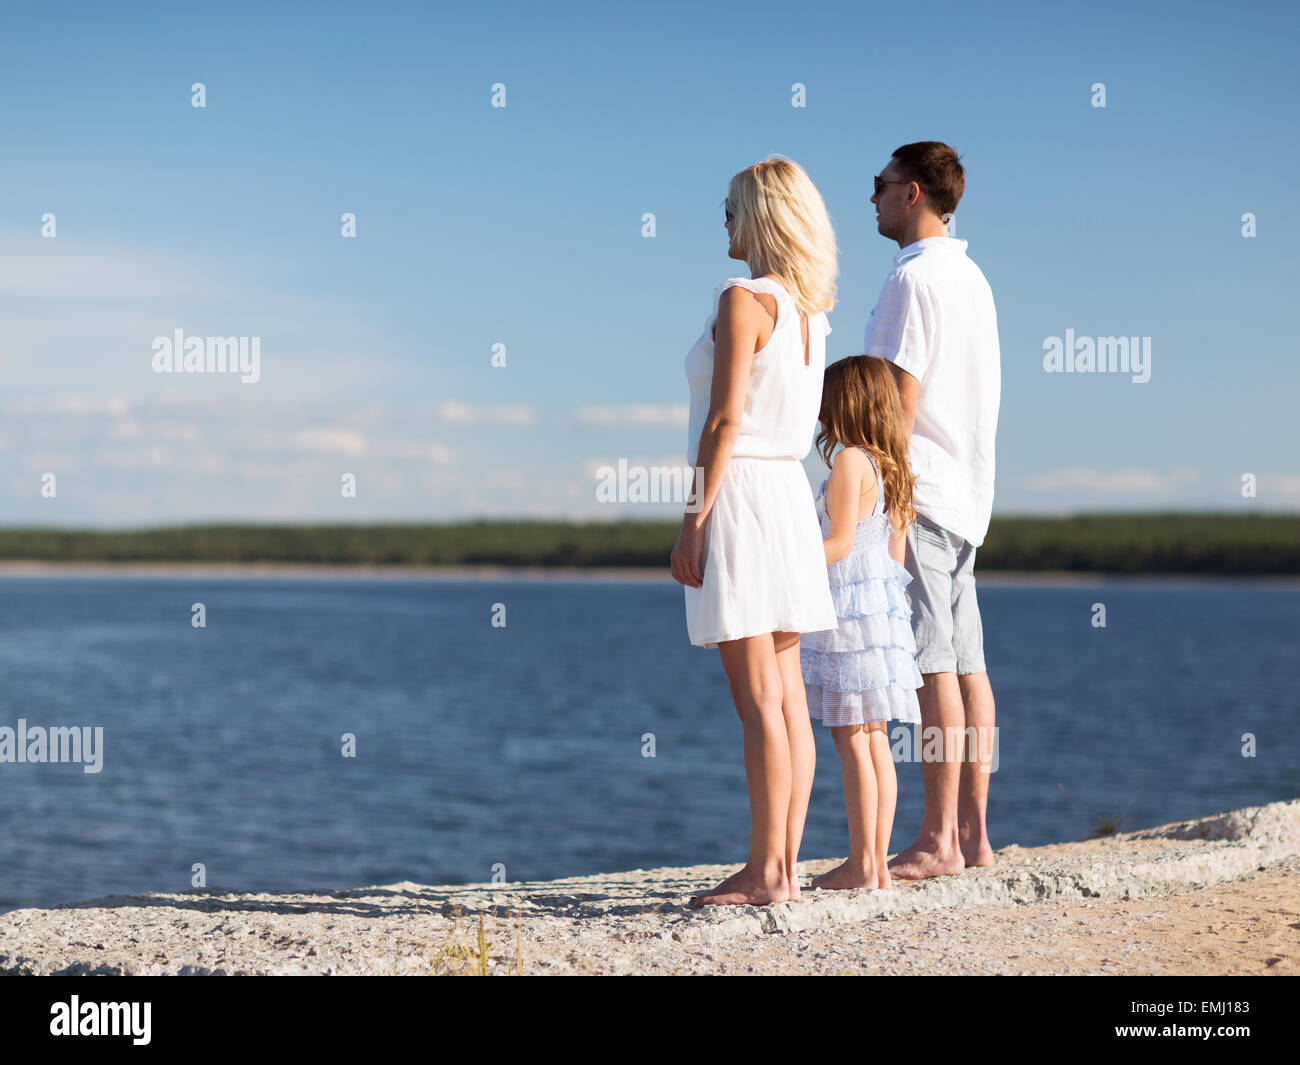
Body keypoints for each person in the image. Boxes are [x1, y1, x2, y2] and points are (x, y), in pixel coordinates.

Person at [670, 156, 839, 907]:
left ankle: (766, 872)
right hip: (789, 496)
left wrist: (692, 519)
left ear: (763, 217)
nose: (726, 223)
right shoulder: (811, 315)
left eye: (733, 210)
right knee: (787, 698)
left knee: (757, 702)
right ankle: (785, 866)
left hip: (741, 496)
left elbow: (725, 418)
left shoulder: (744, 299)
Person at [864, 141, 1001, 879]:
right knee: (968, 666)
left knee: (930, 665)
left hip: (921, 492)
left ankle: (938, 839)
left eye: (880, 183)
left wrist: (883, 500)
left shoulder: (913, 281)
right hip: (968, 495)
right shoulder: (973, 279)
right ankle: (975, 838)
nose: (872, 195)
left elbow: (898, 402)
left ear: (912, 192)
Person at [800, 355, 923, 891]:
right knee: (875, 739)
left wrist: (786, 558)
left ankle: (861, 864)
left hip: (849, 615)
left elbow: (839, 544)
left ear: (845, 403)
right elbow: (894, 558)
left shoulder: (850, 461)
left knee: (853, 739)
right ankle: (876, 865)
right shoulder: (893, 467)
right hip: (884, 620)